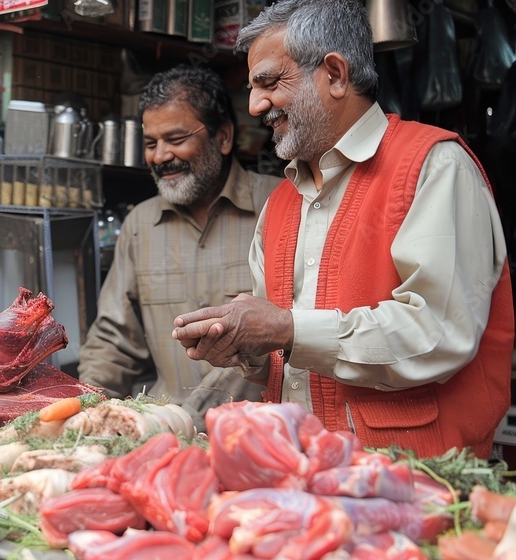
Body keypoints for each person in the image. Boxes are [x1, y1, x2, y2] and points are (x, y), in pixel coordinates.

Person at [171, 0, 513, 459]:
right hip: (301, 476)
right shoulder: (281, 202)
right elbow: (288, 357)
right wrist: (243, 347)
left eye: (269, 83)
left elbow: (439, 333)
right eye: (253, 88)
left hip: (420, 480)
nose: (255, 106)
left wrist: (287, 329)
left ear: (334, 74)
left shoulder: (434, 167)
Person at [78, 65, 281, 430]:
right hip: (165, 434)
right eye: (151, 144)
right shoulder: (140, 225)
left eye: (175, 139)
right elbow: (113, 339)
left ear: (223, 137)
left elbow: (287, 335)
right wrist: (85, 409)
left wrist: (190, 417)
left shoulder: (280, 205)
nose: (160, 156)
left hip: (260, 434)